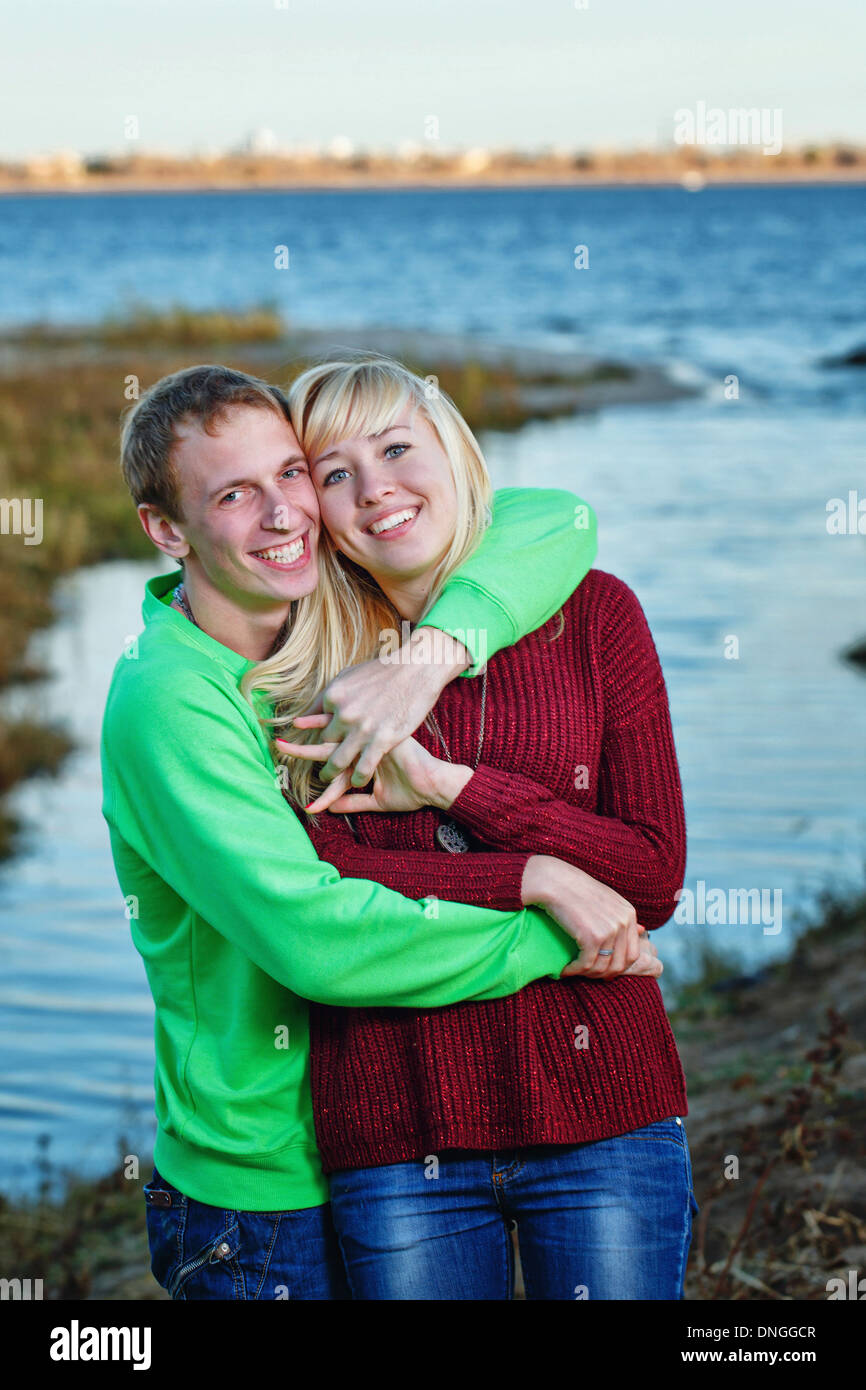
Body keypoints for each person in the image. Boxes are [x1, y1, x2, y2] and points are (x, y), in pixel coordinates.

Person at [101, 362, 616, 1301]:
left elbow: (559, 518)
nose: (283, 515)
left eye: (293, 474)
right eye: (233, 495)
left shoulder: (325, 609)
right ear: (166, 530)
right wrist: (555, 920)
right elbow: (316, 939)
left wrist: (427, 660)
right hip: (265, 1194)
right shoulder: (169, 699)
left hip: (383, 1141)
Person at [263, 354, 694, 1301]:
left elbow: (651, 878)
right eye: (336, 473)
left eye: (396, 449)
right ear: (315, 510)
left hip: (605, 1116)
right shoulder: (301, 667)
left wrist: (453, 788)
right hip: (396, 1130)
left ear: (453, 449)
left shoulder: (596, 613)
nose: (376, 489)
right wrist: (540, 877)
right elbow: (332, 891)